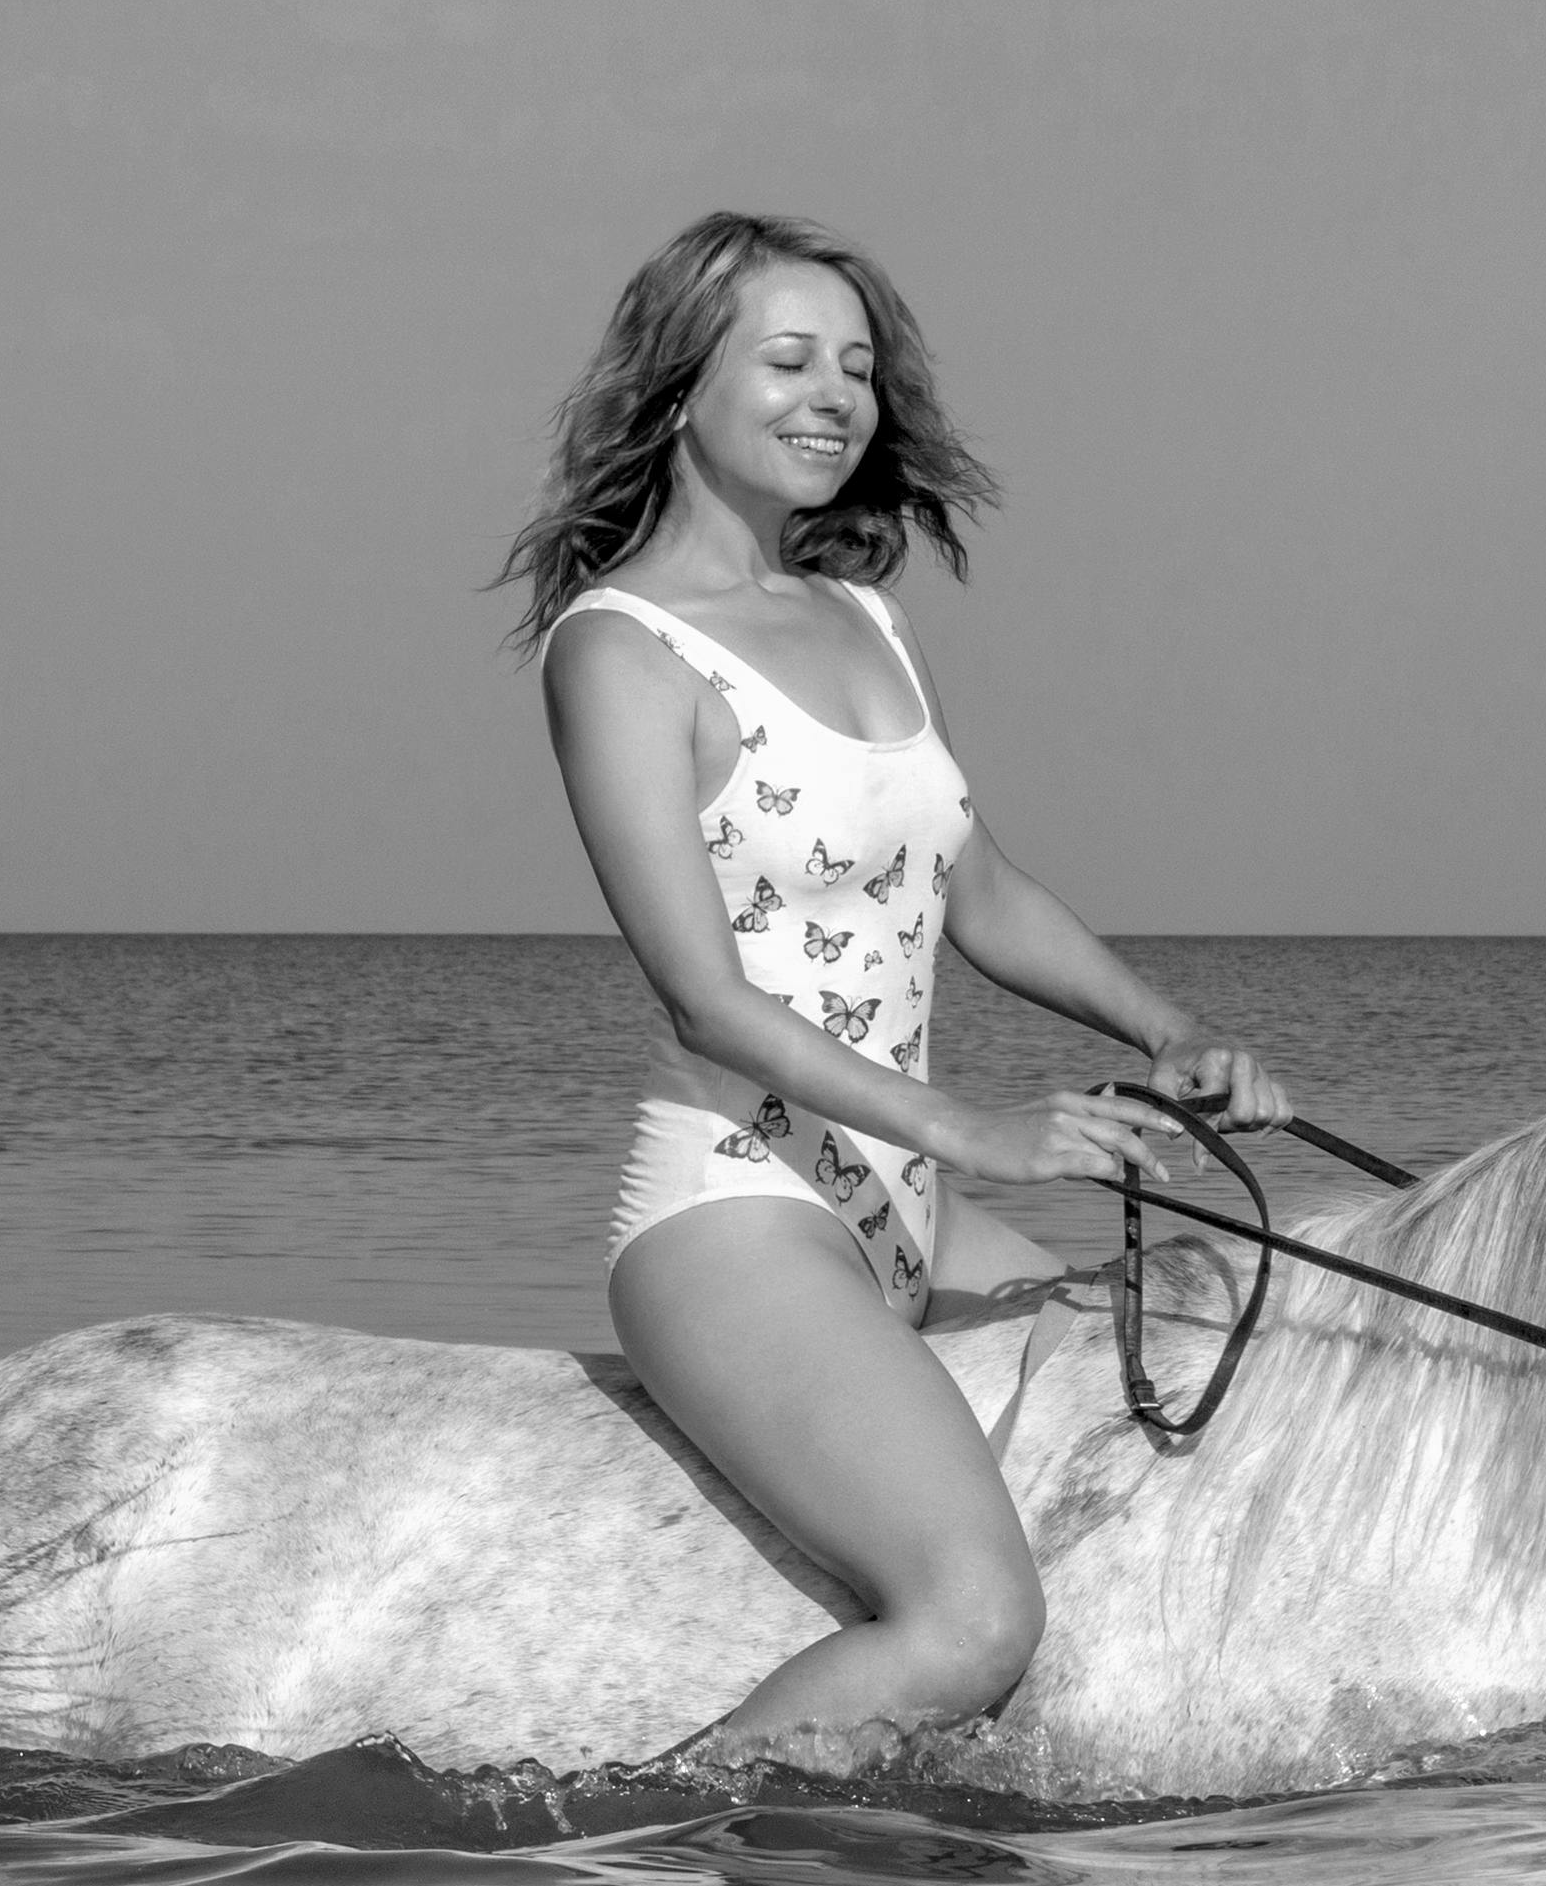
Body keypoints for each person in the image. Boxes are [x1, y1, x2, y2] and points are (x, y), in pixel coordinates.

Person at [508, 211, 1283, 1766]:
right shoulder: (621, 654)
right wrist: (982, 1130)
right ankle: (656, 1854)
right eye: (788, 359)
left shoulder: (865, 615)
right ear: (679, 387)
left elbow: (976, 886)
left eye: (856, 368)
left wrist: (1170, 1030)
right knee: (972, 1616)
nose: (834, 397)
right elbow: (705, 1003)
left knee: (1221, 1369)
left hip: (907, 1209)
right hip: (739, 1208)